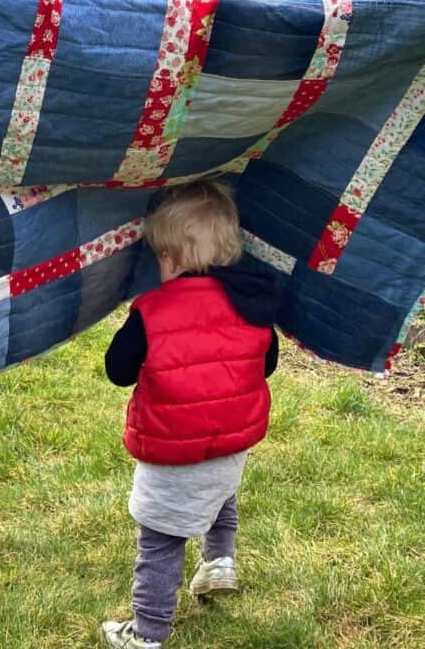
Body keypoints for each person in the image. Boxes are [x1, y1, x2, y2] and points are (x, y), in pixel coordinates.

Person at [101, 179, 280, 649]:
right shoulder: (254, 303)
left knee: (160, 541)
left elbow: (118, 371)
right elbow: (268, 365)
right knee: (220, 492)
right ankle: (219, 562)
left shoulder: (153, 309)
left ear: (170, 258)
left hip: (170, 449)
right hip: (231, 441)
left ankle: (147, 633)